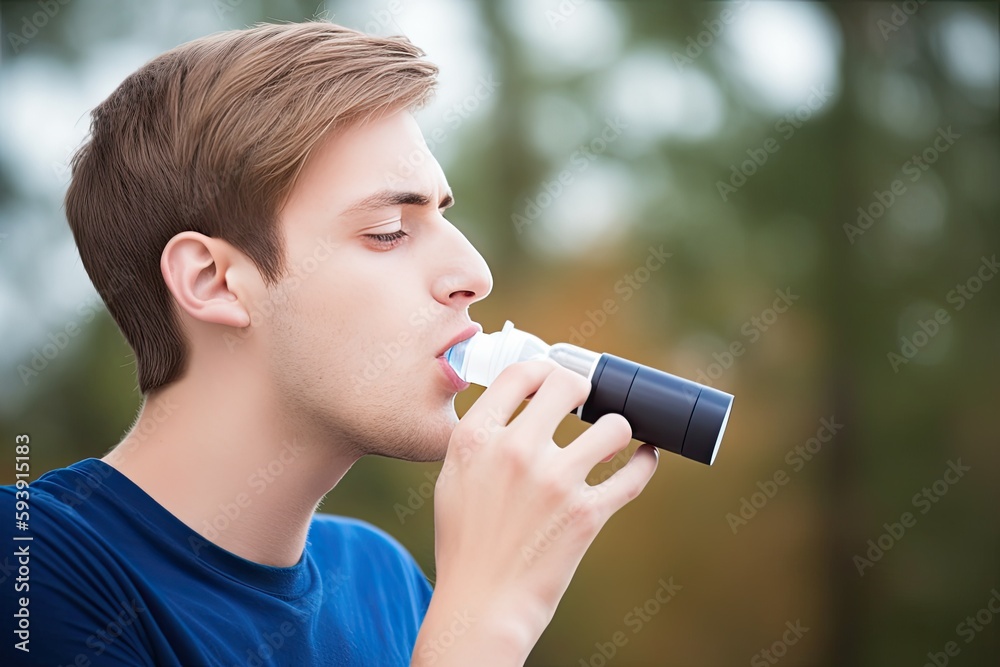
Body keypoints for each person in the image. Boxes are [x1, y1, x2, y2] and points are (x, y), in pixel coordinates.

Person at [0, 21, 658, 666]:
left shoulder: (382, 582)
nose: (475, 275)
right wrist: (484, 626)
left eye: (443, 215)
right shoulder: (28, 562)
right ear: (214, 281)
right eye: (389, 230)